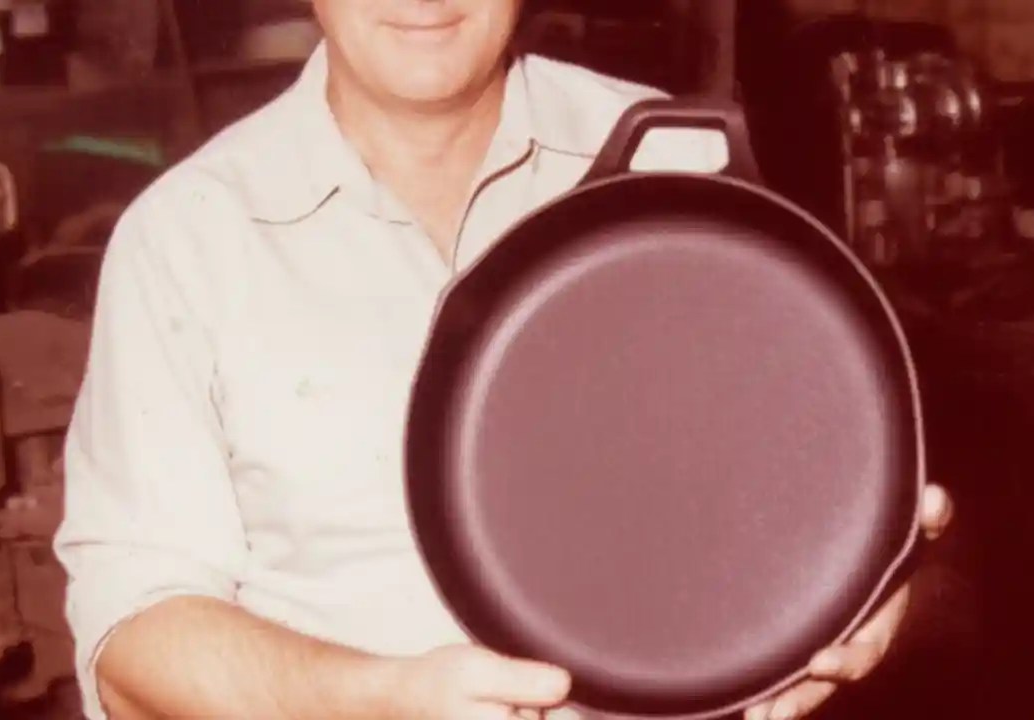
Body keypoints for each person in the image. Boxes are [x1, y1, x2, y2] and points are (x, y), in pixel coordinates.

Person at [53, 1, 954, 718]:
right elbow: (132, 640)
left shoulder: (674, 163)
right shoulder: (189, 238)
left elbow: (809, 471)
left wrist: (867, 581)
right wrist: (379, 700)